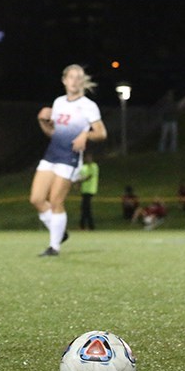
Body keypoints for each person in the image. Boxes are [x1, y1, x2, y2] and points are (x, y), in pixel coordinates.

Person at [30, 64, 107, 256]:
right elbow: (54, 134)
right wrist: (42, 121)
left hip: (69, 157)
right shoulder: (58, 103)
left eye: (78, 77)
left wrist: (85, 136)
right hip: (52, 154)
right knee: (37, 199)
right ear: (64, 80)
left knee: (56, 200)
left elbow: (101, 133)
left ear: (82, 81)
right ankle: (59, 232)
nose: (74, 81)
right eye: (71, 77)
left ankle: (53, 246)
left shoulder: (88, 106)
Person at [76, 152, 99, 230]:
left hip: (91, 190)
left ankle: (89, 226)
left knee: (87, 208)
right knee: (84, 209)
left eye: (90, 157)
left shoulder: (94, 166)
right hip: (84, 191)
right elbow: (79, 176)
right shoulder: (83, 167)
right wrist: (78, 184)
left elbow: (88, 177)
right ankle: (84, 226)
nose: (88, 159)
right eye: (87, 157)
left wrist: (80, 180)